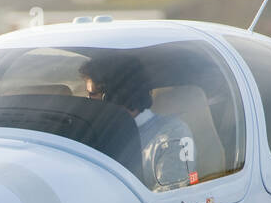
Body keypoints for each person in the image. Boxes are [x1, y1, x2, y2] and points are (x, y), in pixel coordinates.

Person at [79, 54, 194, 191]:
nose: (87, 101)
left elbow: (170, 199)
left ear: (113, 96)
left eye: (92, 95)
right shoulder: (95, 135)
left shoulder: (174, 135)